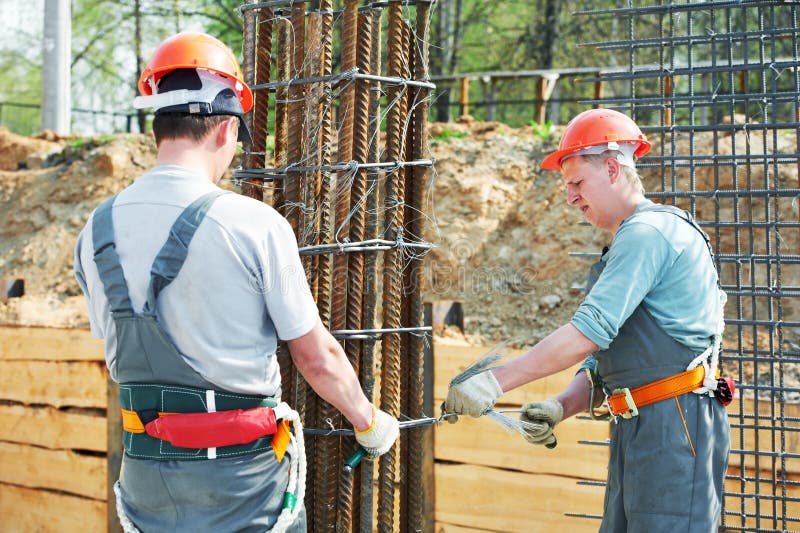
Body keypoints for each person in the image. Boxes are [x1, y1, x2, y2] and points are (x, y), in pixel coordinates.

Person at [74, 32, 398, 533]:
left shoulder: (96, 229)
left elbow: (121, 342)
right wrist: (368, 421)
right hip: (239, 484)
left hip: (145, 484)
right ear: (226, 129)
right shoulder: (254, 224)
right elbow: (317, 358)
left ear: (159, 125)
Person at [443, 108, 730, 532]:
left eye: (577, 183)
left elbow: (585, 335)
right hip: (644, 426)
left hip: (674, 426)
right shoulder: (631, 240)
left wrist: (493, 383)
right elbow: (612, 359)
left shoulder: (647, 234)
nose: (571, 197)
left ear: (612, 168)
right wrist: (562, 405)